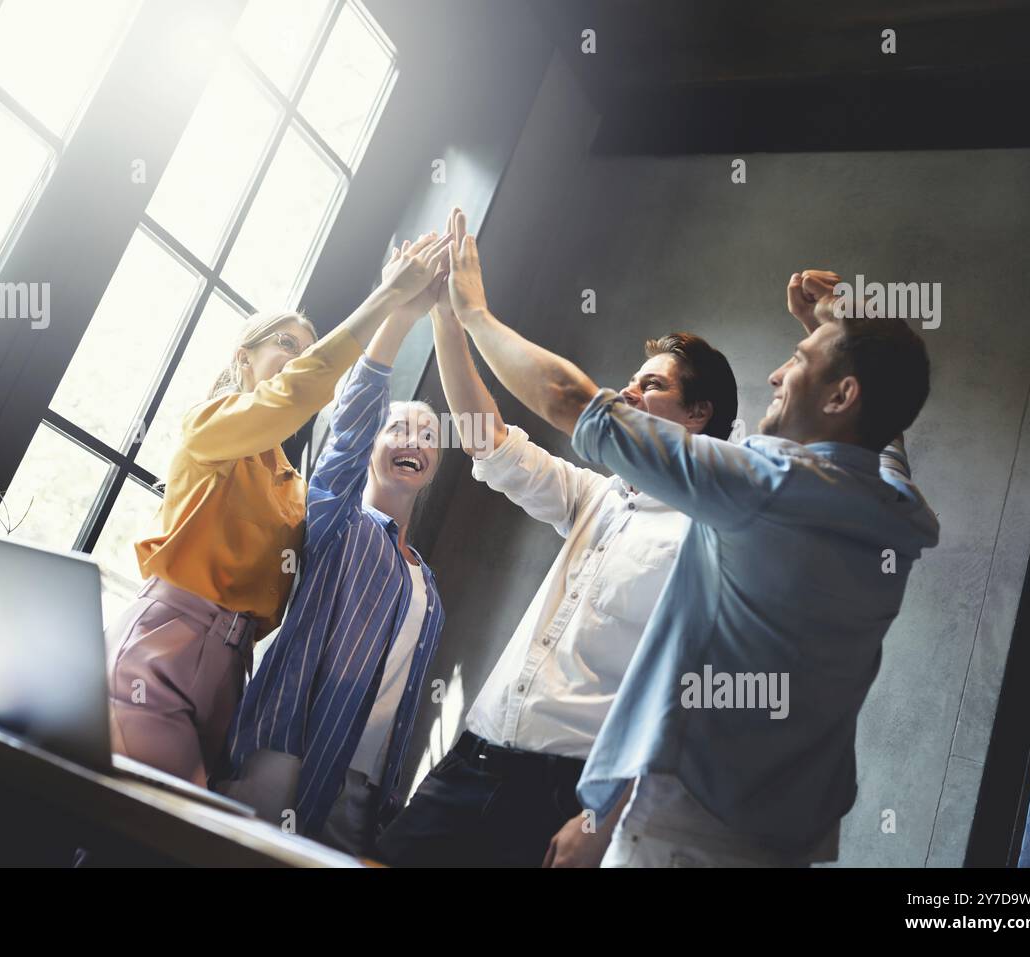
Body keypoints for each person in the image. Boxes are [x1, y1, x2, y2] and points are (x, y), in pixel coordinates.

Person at [442, 208, 939, 866]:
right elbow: (882, 434)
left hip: (680, 831)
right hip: (779, 840)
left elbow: (570, 398)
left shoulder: (760, 488)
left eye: (795, 359)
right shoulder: (899, 516)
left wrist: (474, 312)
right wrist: (843, 338)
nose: (777, 374)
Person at [376, 208, 740, 867]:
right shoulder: (594, 494)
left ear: (699, 414)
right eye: (631, 378)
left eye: (651, 385)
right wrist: (445, 315)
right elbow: (487, 438)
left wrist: (603, 816)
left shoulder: (714, 535)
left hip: (559, 795)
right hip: (473, 755)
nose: (627, 391)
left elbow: (691, 697)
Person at [104, 231, 450, 788]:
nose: (300, 359)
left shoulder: (292, 486)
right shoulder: (209, 427)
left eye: (306, 349)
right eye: (287, 345)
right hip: (165, 642)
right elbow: (292, 395)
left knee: (180, 833)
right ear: (244, 359)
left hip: (236, 668)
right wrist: (386, 301)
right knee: (156, 820)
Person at [218, 245, 448, 858]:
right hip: (288, 754)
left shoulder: (427, 584)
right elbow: (349, 428)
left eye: (428, 436)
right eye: (398, 428)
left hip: (363, 792)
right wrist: (398, 314)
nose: (414, 441)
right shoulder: (335, 519)